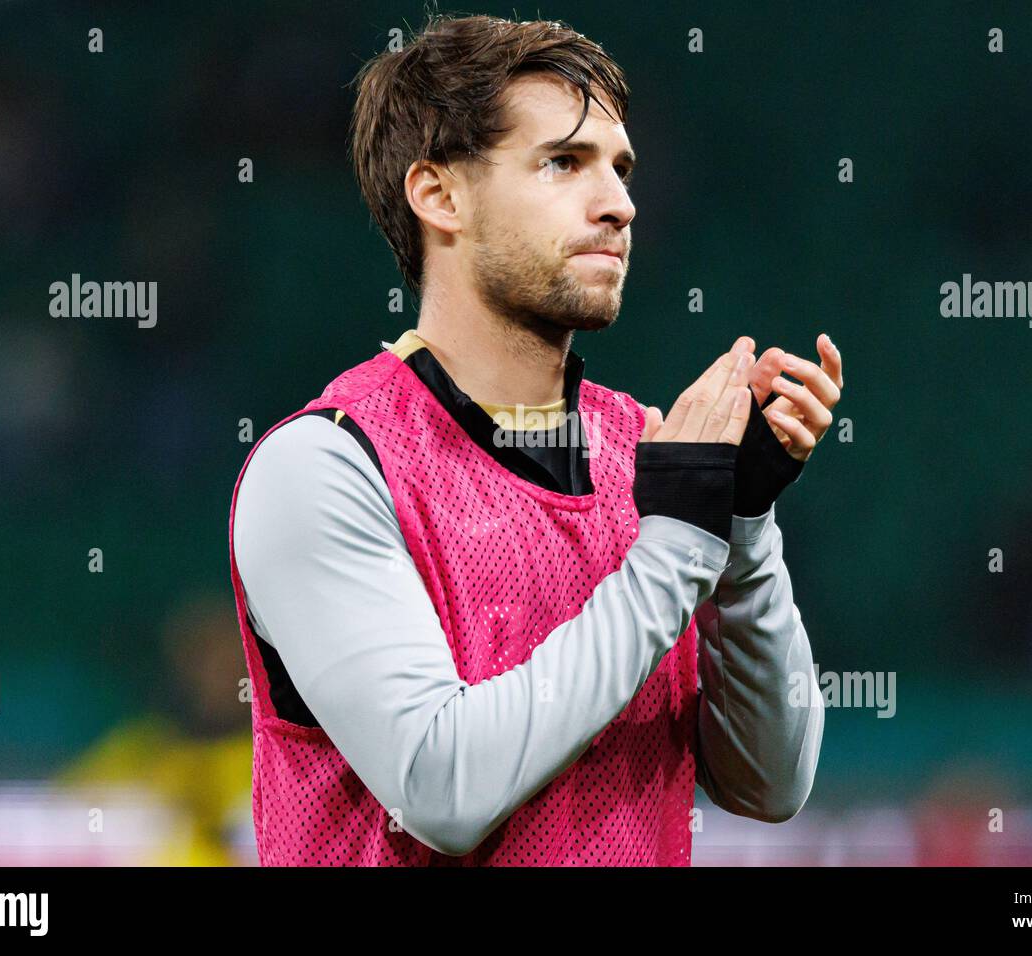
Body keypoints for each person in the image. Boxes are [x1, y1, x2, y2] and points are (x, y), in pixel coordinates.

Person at [228, 14, 845, 866]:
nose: (620, 204)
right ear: (439, 195)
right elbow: (443, 790)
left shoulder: (645, 450)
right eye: (564, 163)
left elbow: (770, 785)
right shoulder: (326, 465)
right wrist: (673, 543)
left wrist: (738, 528)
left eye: (622, 170)